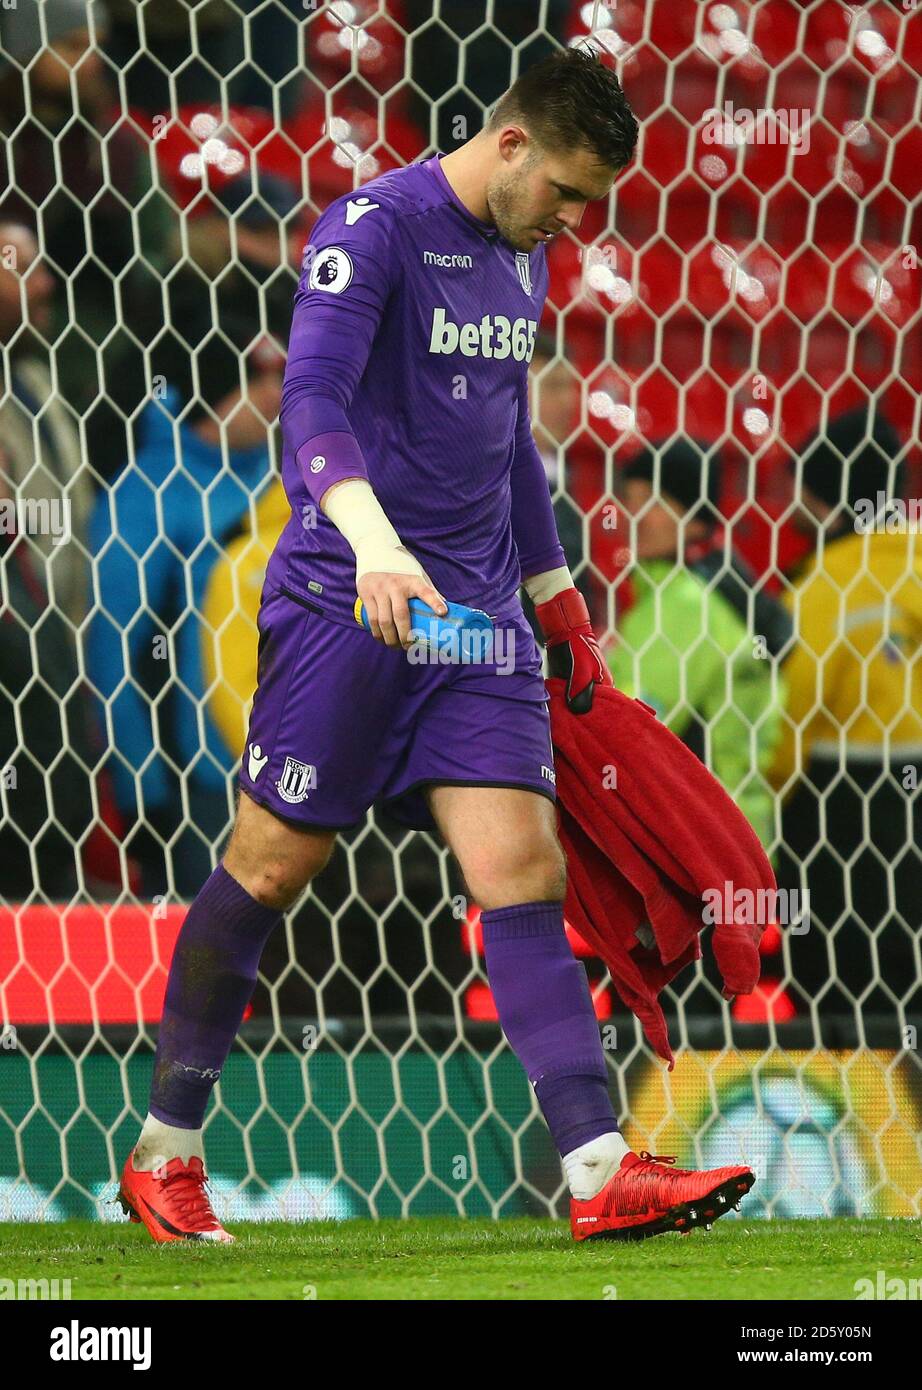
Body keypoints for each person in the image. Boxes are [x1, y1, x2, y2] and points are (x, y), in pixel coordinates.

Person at [118, 48, 753, 1245]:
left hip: (477, 622)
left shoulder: (525, 251)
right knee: (265, 868)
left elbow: (507, 436)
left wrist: (557, 604)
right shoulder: (370, 228)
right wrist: (372, 546)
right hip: (346, 609)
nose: (572, 221)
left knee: (523, 873)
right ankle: (166, 1149)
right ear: (509, 143)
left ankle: (597, 1165)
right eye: (564, 190)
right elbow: (308, 402)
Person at [87, 298, 282, 898]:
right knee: (208, 959)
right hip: (197, 780)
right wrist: (143, 790)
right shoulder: (145, 496)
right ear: (218, 395)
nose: (279, 394)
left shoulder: (287, 477)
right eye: (261, 380)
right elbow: (114, 656)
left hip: (296, 768)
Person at [769, 405, 922, 1028]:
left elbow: (788, 726)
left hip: (842, 821)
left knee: (841, 1007)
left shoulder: (822, 588)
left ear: (828, 493)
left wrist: (764, 793)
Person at [609, 440, 786, 852]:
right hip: (729, 842)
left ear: (695, 519)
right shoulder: (702, 593)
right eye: (629, 499)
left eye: (652, 501)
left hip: (700, 848)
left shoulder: (687, 605)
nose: (634, 515)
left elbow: (627, 728)